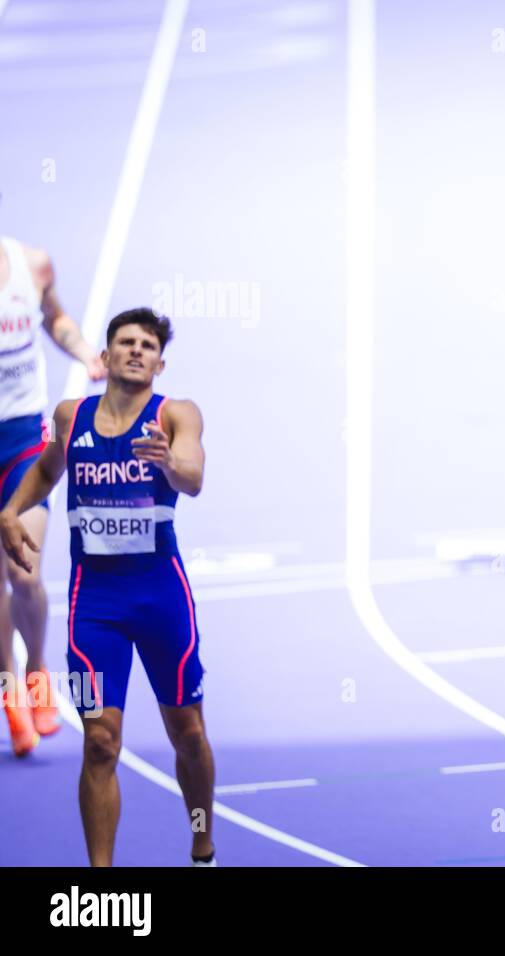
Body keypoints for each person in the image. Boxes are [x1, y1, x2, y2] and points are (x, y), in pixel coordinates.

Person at [0, 308, 213, 867]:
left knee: (188, 734)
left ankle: (202, 845)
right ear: (107, 355)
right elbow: (47, 471)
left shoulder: (177, 415)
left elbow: (193, 477)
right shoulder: (73, 417)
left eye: (147, 344)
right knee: (99, 742)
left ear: (159, 362)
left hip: (162, 599)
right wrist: (12, 510)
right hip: (95, 606)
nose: (137, 350)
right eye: (126, 342)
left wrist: (170, 463)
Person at [0, 234, 106, 756]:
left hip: (22, 438)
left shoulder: (31, 264)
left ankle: (37, 667)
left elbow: (54, 319)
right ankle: (8, 687)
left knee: (24, 574)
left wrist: (85, 351)